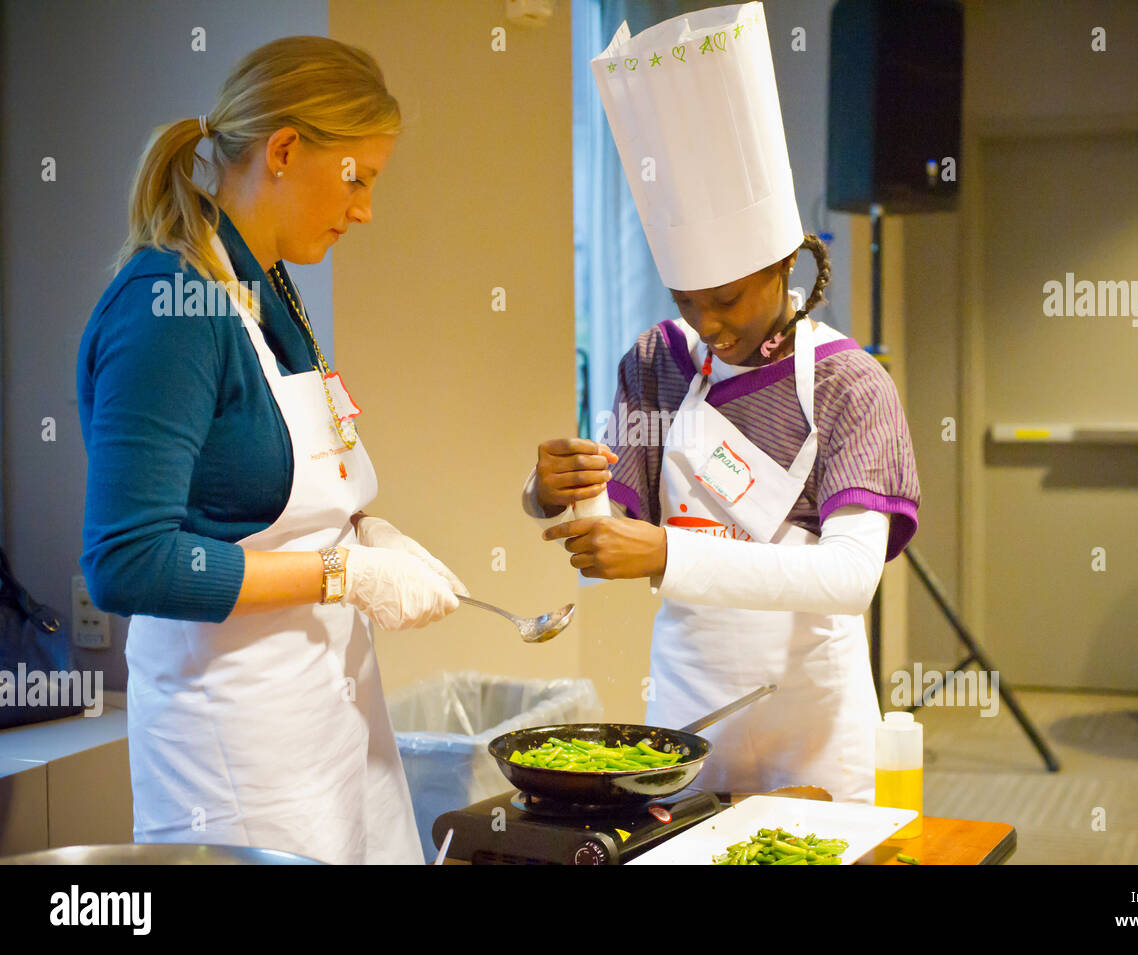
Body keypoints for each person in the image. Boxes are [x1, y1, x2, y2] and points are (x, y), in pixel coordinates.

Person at [77, 36, 463, 864]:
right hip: (237, 759)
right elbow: (126, 561)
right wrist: (342, 575)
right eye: (358, 178)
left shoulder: (263, 286)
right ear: (285, 150)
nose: (365, 210)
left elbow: (272, 487)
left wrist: (365, 534)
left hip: (331, 724)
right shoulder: (168, 310)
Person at [524, 3, 921, 802]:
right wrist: (548, 495)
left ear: (783, 265)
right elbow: (606, 535)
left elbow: (848, 577)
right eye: (687, 298)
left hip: (814, 729)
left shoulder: (850, 384)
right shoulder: (658, 361)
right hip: (684, 718)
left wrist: (667, 554)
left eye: (730, 298)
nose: (709, 324)